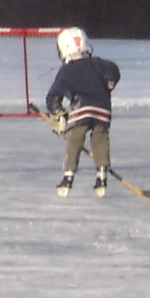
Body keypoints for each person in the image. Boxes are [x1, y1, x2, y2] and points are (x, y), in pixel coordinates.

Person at [45, 27, 121, 198]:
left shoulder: (67, 70)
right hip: (103, 109)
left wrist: (60, 115)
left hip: (82, 109)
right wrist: (110, 82)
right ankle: (101, 176)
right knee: (100, 141)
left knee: (75, 141)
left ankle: (68, 178)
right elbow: (113, 70)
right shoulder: (99, 63)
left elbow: (52, 97)